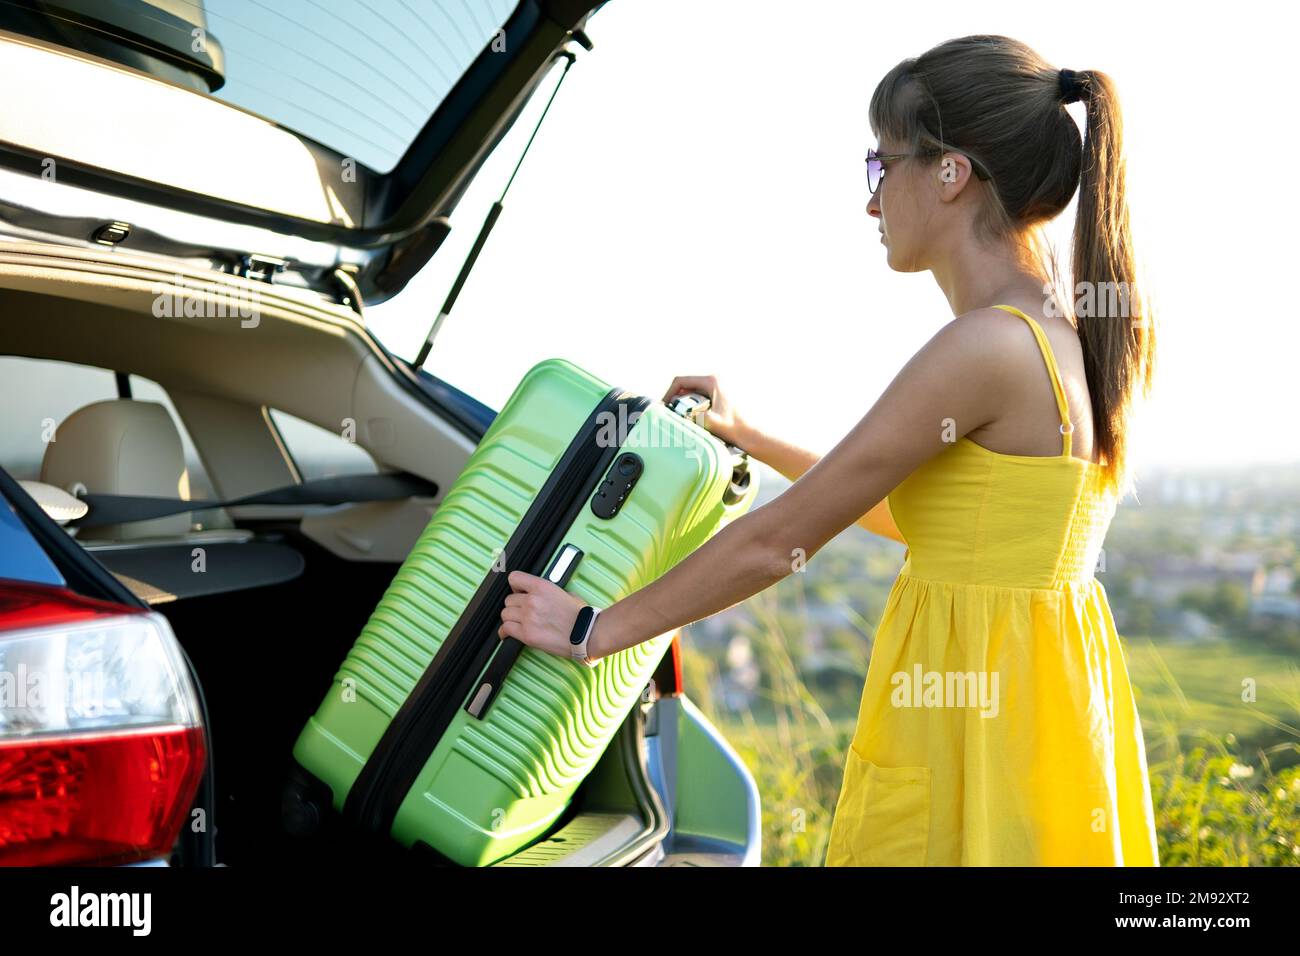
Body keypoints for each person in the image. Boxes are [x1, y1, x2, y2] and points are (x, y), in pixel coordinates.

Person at [498, 34, 1158, 866]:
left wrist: (594, 629)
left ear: (950, 173)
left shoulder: (985, 348)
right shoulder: (1059, 335)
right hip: (1035, 716)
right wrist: (756, 433)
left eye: (882, 167)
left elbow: (781, 541)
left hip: (971, 738)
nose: (871, 201)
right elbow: (931, 522)